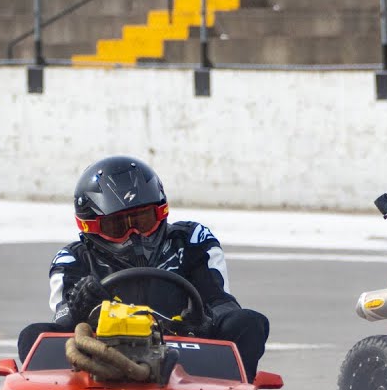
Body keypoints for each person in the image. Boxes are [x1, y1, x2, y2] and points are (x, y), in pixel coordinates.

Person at [16, 155, 269, 378]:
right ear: (91, 227)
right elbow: (60, 322)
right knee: (32, 335)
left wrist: (202, 320)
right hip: (101, 362)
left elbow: (222, 303)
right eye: (118, 226)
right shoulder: (72, 260)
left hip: (188, 360)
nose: (135, 235)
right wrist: (78, 309)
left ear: (161, 212)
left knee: (248, 322)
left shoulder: (192, 240)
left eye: (143, 219)